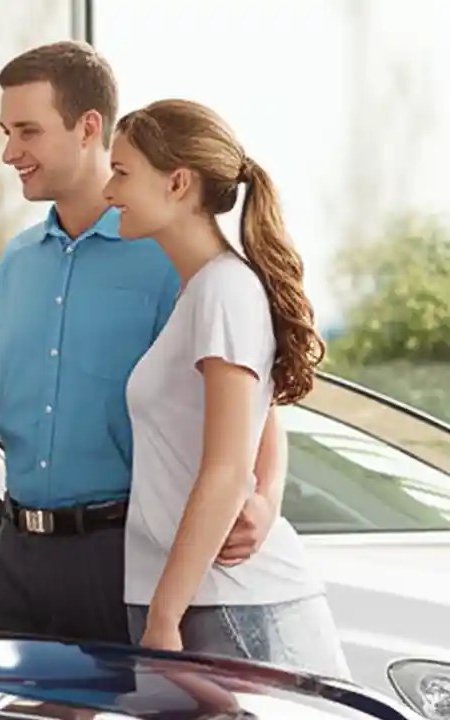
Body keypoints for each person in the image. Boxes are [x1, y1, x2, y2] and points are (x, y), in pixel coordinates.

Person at [0, 41, 285, 644]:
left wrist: (266, 497)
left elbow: (258, 404)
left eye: (28, 131)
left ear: (87, 128)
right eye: (5, 131)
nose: (9, 153)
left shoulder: (169, 255)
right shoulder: (18, 263)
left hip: (124, 552)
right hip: (18, 553)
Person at [103, 98, 348, 677]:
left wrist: (165, 615)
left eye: (121, 172)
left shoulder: (224, 292)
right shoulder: (203, 292)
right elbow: (262, 418)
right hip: (196, 600)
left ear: (177, 183)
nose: (109, 191)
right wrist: (266, 495)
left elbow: (226, 469)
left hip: (228, 604)